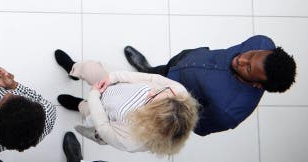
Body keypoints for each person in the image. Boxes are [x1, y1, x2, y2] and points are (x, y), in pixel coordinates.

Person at [123, 35, 297, 136]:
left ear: (258, 85)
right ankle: (146, 70)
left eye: (248, 68)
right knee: (158, 72)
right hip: (186, 61)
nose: (241, 60)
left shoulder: (228, 111)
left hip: (172, 95)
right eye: (251, 55)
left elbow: (196, 125)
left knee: (134, 103)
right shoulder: (262, 43)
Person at [53, 49, 198, 155]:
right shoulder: (178, 93)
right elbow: (151, 78)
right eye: (162, 92)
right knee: (89, 67)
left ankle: (78, 104)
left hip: (103, 113)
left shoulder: (133, 139)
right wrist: (113, 78)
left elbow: (103, 127)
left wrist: (94, 96)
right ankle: (73, 69)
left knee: (86, 109)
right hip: (114, 87)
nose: (152, 91)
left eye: (152, 99)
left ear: (149, 119)